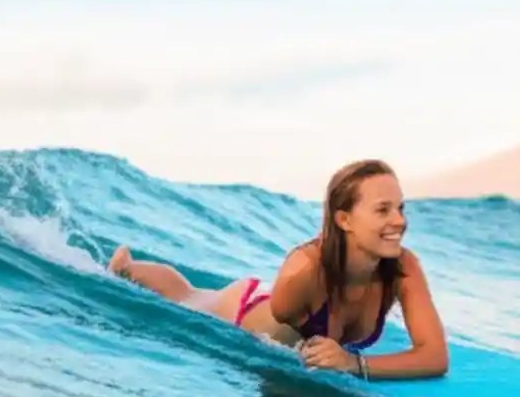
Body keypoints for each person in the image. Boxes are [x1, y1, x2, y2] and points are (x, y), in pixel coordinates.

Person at [107, 159, 449, 380]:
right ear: (344, 219)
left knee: (195, 294)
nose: (399, 221)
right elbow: (280, 322)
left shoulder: (404, 267)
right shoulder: (308, 266)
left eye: (401, 208)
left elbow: (435, 356)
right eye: (383, 210)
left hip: (293, 320)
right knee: (188, 298)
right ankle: (127, 267)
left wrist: (353, 364)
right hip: (244, 312)